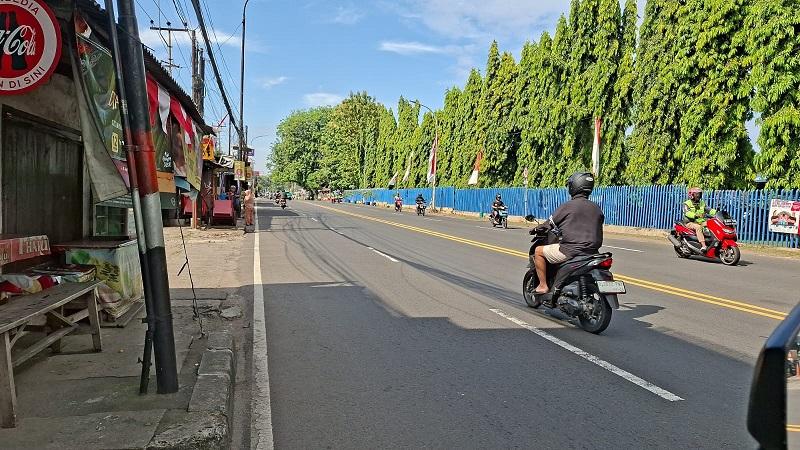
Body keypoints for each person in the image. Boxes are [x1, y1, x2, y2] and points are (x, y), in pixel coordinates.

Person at [533, 172, 604, 294]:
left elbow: (549, 223)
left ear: (573, 187)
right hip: (593, 252)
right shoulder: (596, 208)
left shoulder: (568, 206)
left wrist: (537, 229)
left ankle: (543, 285)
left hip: (571, 251)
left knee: (538, 251)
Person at [683, 187, 716, 252]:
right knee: (698, 227)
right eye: (697, 194)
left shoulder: (702, 203)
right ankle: (704, 246)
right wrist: (695, 215)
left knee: (712, 224)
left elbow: (708, 209)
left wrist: (716, 212)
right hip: (690, 222)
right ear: (691, 195)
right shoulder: (687, 203)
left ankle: (713, 242)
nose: (699, 196)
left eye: (700, 194)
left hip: (701, 222)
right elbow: (687, 212)